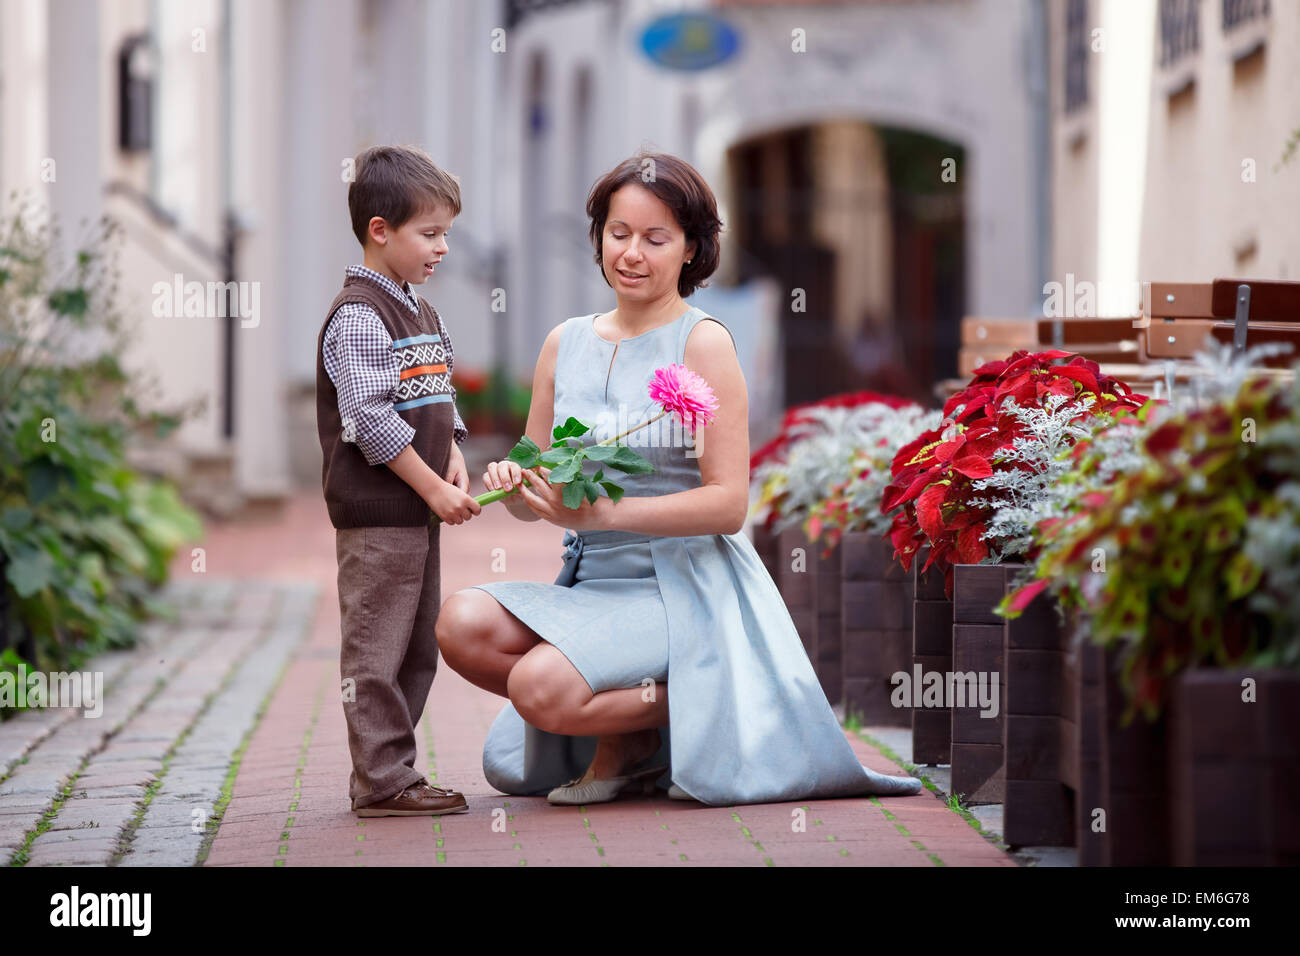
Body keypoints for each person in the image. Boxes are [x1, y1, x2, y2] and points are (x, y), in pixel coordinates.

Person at [435, 150, 922, 806]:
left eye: (655, 239)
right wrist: (517, 485)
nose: (632, 254)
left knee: (539, 690)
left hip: (682, 588)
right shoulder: (565, 342)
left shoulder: (704, 343)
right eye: (618, 234)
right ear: (599, 238)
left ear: (691, 249)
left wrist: (603, 516)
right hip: (590, 585)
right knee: (460, 623)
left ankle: (696, 706)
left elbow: (727, 504)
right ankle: (637, 740)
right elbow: (540, 477)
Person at [316, 144, 481, 817]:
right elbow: (370, 421)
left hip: (416, 508)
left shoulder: (420, 310)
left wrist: (455, 454)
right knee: (377, 647)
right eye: (430, 234)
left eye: (446, 233)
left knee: (416, 645)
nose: (442, 248)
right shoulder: (359, 314)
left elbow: (437, 392)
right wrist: (431, 488)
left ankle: (395, 770)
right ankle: (381, 778)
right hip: (381, 511)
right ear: (380, 231)